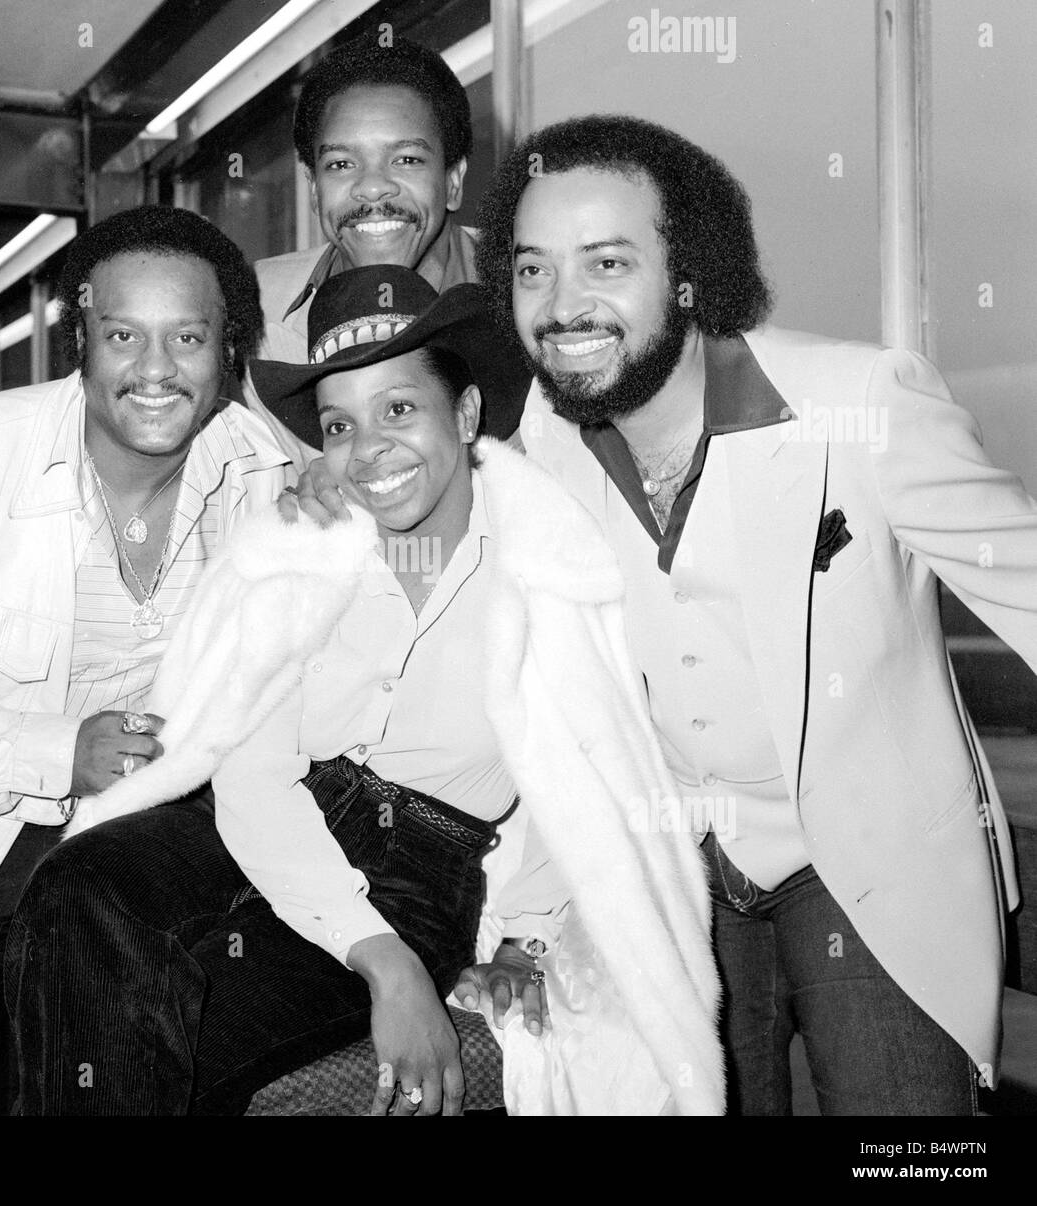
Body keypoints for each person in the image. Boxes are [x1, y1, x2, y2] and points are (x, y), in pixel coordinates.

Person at [5, 265, 722, 1116]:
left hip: (422, 869)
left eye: (400, 410)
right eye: (340, 425)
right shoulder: (308, 552)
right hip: (266, 827)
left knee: (177, 1047)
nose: (368, 448)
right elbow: (253, 775)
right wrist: (385, 963)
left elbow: (581, 781)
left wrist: (523, 940)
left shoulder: (547, 565)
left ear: (464, 413)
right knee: (75, 886)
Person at [466, 114, 1029, 1114]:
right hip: (679, 866)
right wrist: (531, 918)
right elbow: (562, 709)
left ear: (691, 273)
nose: (562, 306)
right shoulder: (539, 452)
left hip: (867, 864)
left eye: (606, 262)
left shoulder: (859, 403)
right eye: (532, 270)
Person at [0, 205, 291, 1114]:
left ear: (229, 351)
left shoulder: (258, 472)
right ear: (81, 339)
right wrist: (57, 750)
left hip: (128, 854)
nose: (155, 370)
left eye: (187, 337)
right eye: (123, 335)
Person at [241, 32, 525, 466]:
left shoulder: (532, 296)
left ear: (453, 180)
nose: (372, 187)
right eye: (341, 164)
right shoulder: (249, 313)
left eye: (406, 159)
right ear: (314, 190)